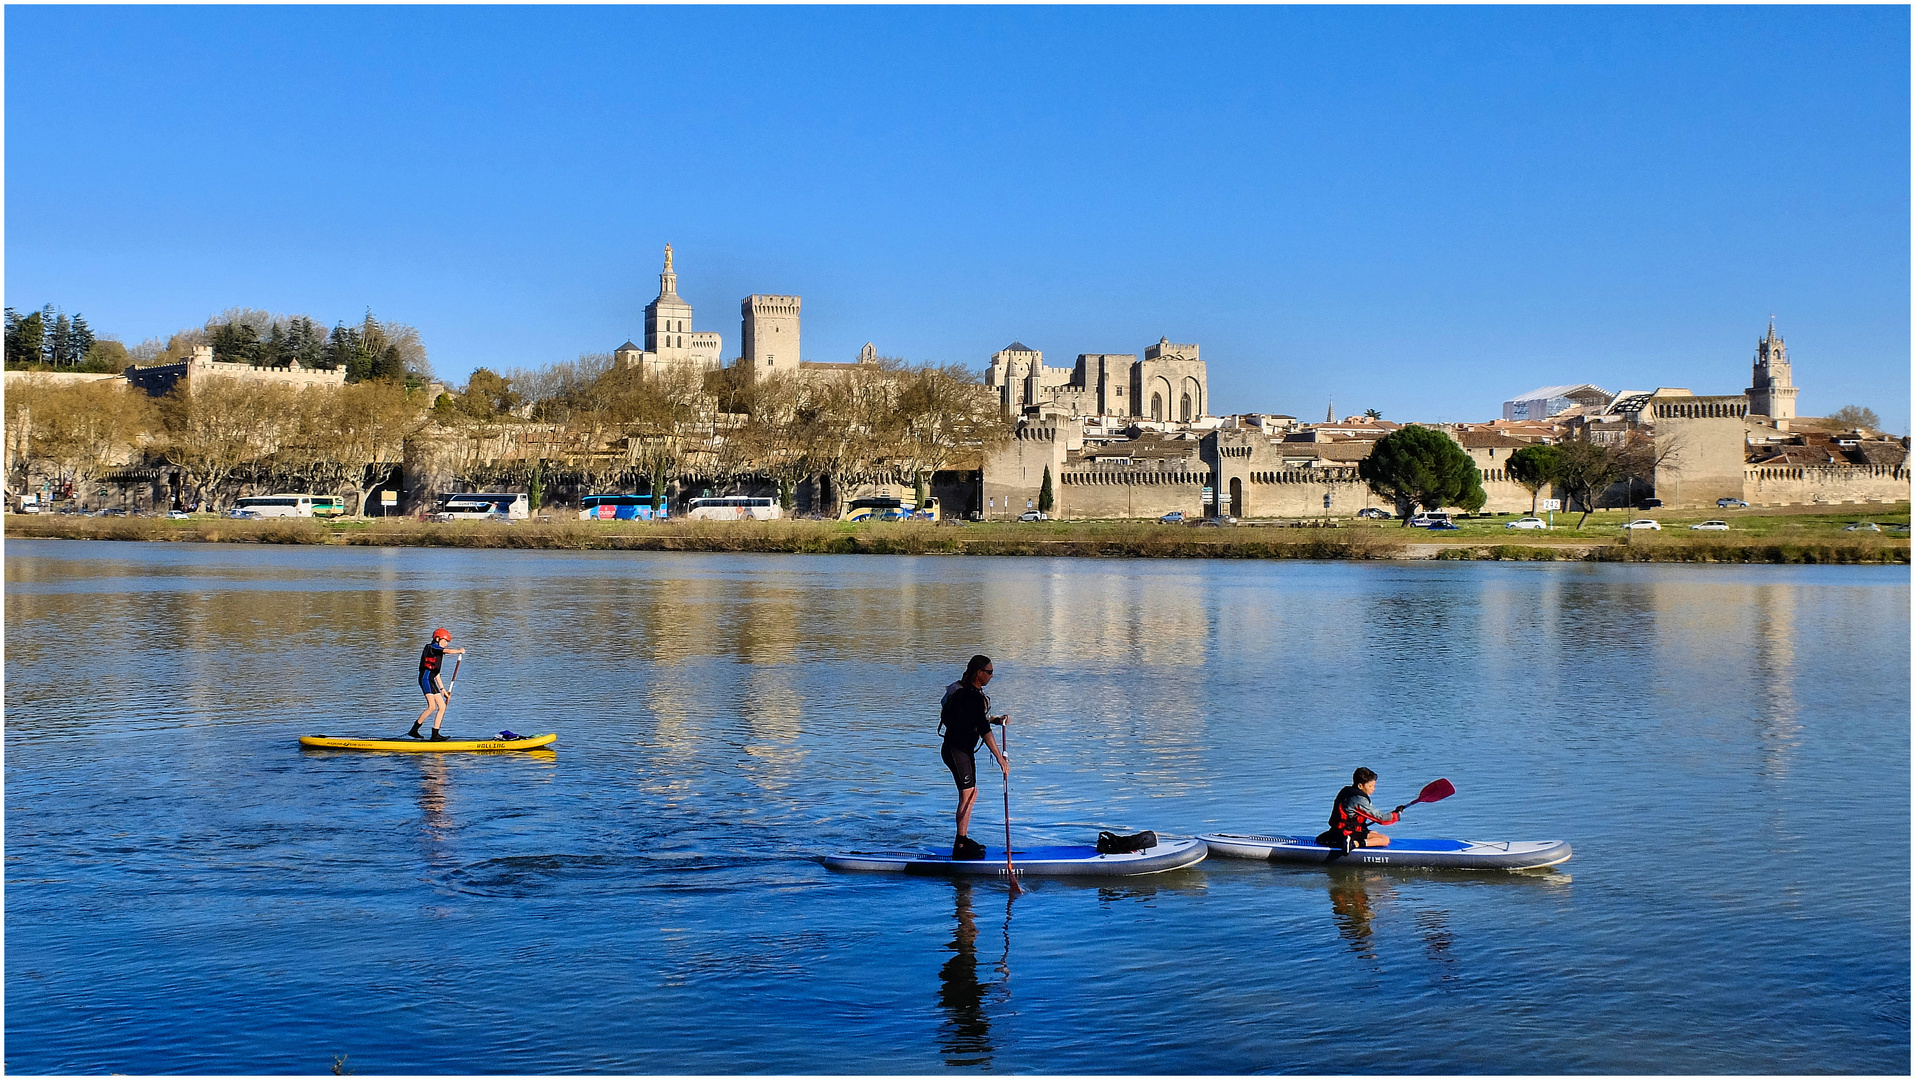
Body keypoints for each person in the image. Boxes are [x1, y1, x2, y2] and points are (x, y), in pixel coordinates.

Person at [939, 654, 1009, 860]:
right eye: (989, 672)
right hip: (956, 750)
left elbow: (977, 719)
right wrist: (1000, 759)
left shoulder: (969, 692)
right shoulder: (970, 695)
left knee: (972, 793)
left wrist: (997, 719)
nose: (991, 676)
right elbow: (984, 730)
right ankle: (960, 844)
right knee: (968, 794)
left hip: (961, 750)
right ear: (979, 673)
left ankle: (963, 839)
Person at [1318, 767, 1405, 852]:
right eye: (1370, 786)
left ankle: (1353, 842)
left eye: (1374, 786)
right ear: (1360, 785)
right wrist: (1396, 815)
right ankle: (1354, 844)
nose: (1373, 789)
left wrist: (1395, 813)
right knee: (1385, 840)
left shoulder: (1347, 791)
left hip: (1338, 831)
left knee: (1374, 833)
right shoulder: (1358, 800)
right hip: (1345, 834)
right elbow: (1381, 819)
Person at [407, 628, 465, 740]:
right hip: (424, 679)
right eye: (445, 640)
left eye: (447, 642)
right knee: (432, 706)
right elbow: (448, 651)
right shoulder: (431, 647)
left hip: (431, 680)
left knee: (442, 706)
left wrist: (443, 690)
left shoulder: (439, 654)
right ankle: (414, 730)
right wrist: (459, 651)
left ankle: (435, 734)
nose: (446, 643)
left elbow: (436, 674)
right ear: (437, 639)